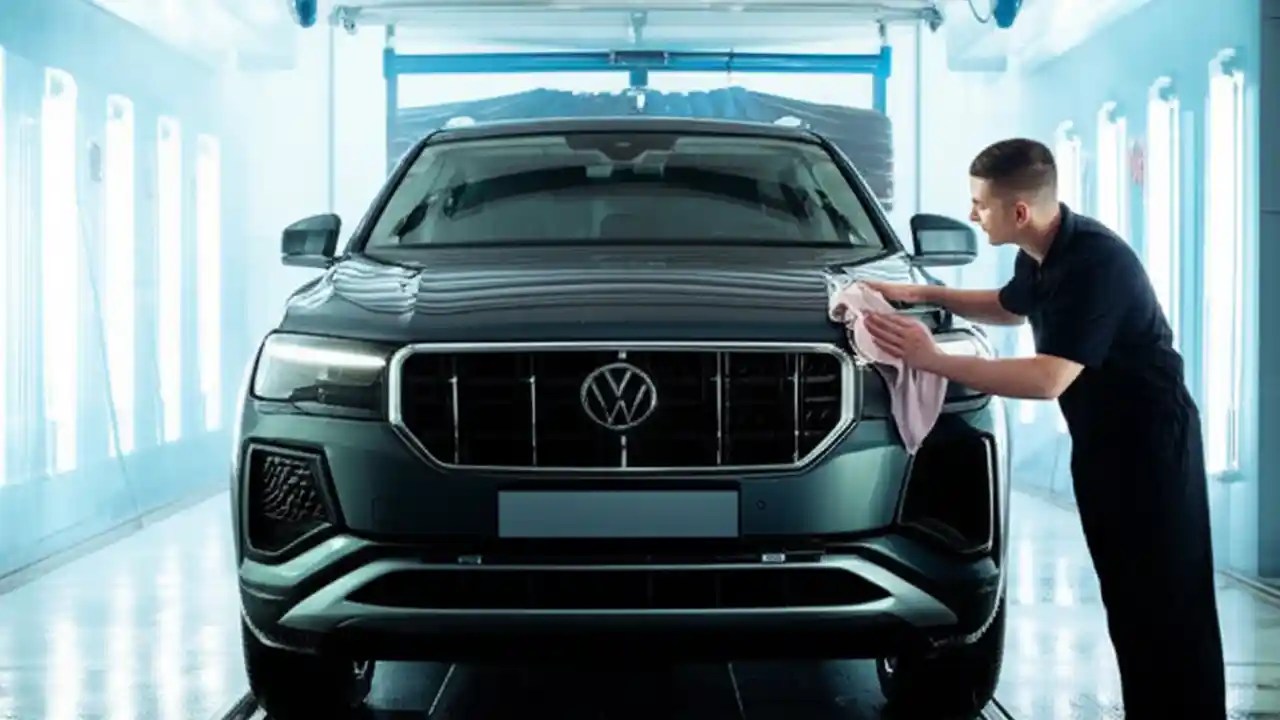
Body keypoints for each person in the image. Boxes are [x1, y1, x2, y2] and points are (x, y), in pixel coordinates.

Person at [862, 138, 1227, 718]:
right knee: (1128, 600)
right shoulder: (1041, 251)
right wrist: (921, 293)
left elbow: (1047, 378)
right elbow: (1011, 306)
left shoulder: (1094, 262)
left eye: (980, 203)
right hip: (1102, 443)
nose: (973, 213)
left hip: (1152, 448)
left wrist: (931, 358)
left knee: (1169, 603)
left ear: (1019, 212)